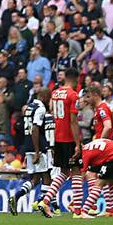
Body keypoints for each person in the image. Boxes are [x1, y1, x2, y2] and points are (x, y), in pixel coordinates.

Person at [38, 68, 82, 217]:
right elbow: (73, 121)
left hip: (57, 138)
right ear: (75, 79)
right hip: (69, 138)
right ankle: (77, 210)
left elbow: (52, 112)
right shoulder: (73, 95)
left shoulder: (55, 93)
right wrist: (77, 143)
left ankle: (45, 201)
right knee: (76, 172)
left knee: (64, 172)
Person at [10, 86, 54, 216]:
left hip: (28, 145)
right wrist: (37, 151)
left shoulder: (29, 107)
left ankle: (16, 196)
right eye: (49, 98)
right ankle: (43, 205)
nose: (49, 101)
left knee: (35, 178)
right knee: (47, 176)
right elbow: (35, 129)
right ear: (45, 97)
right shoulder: (40, 108)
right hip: (37, 146)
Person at [75, 138, 113, 218]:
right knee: (111, 182)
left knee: (98, 184)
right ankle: (111, 210)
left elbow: (82, 176)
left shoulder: (85, 154)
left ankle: (84, 211)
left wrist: (76, 196)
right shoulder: (91, 146)